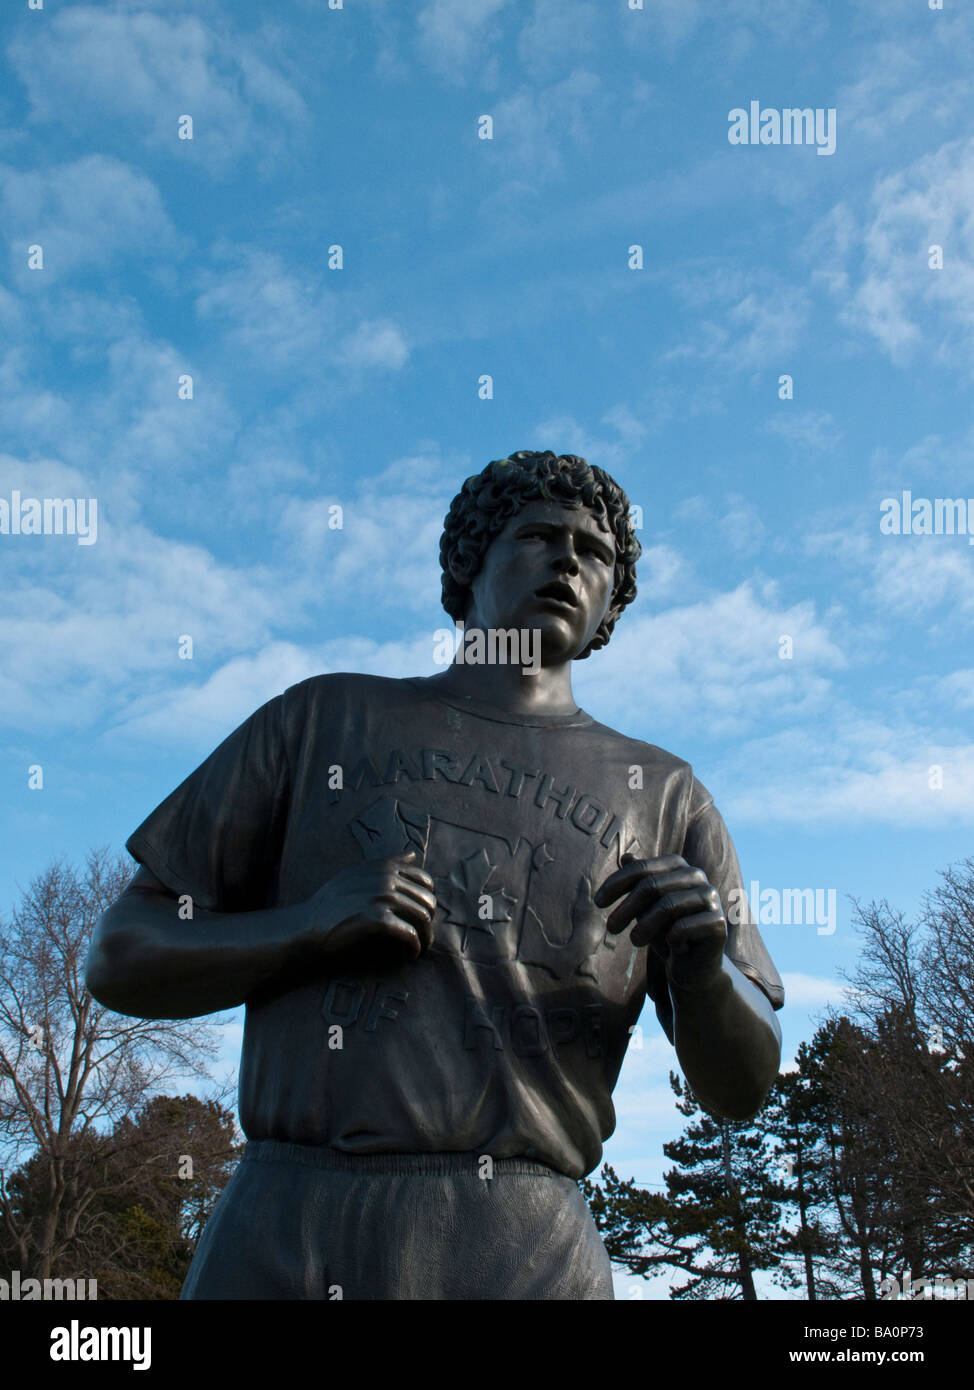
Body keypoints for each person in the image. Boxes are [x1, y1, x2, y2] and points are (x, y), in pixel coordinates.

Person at [86, 450, 783, 1300]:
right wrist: (305, 927)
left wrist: (703, 969)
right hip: (288, 1226)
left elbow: (743, 1089)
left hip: (525, 1246)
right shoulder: (324, 721)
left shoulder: (664, 795)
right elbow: (121, 954)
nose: (569, 560)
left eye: (595, 552)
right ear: (468, 562)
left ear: (610, 606)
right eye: (538, 535)